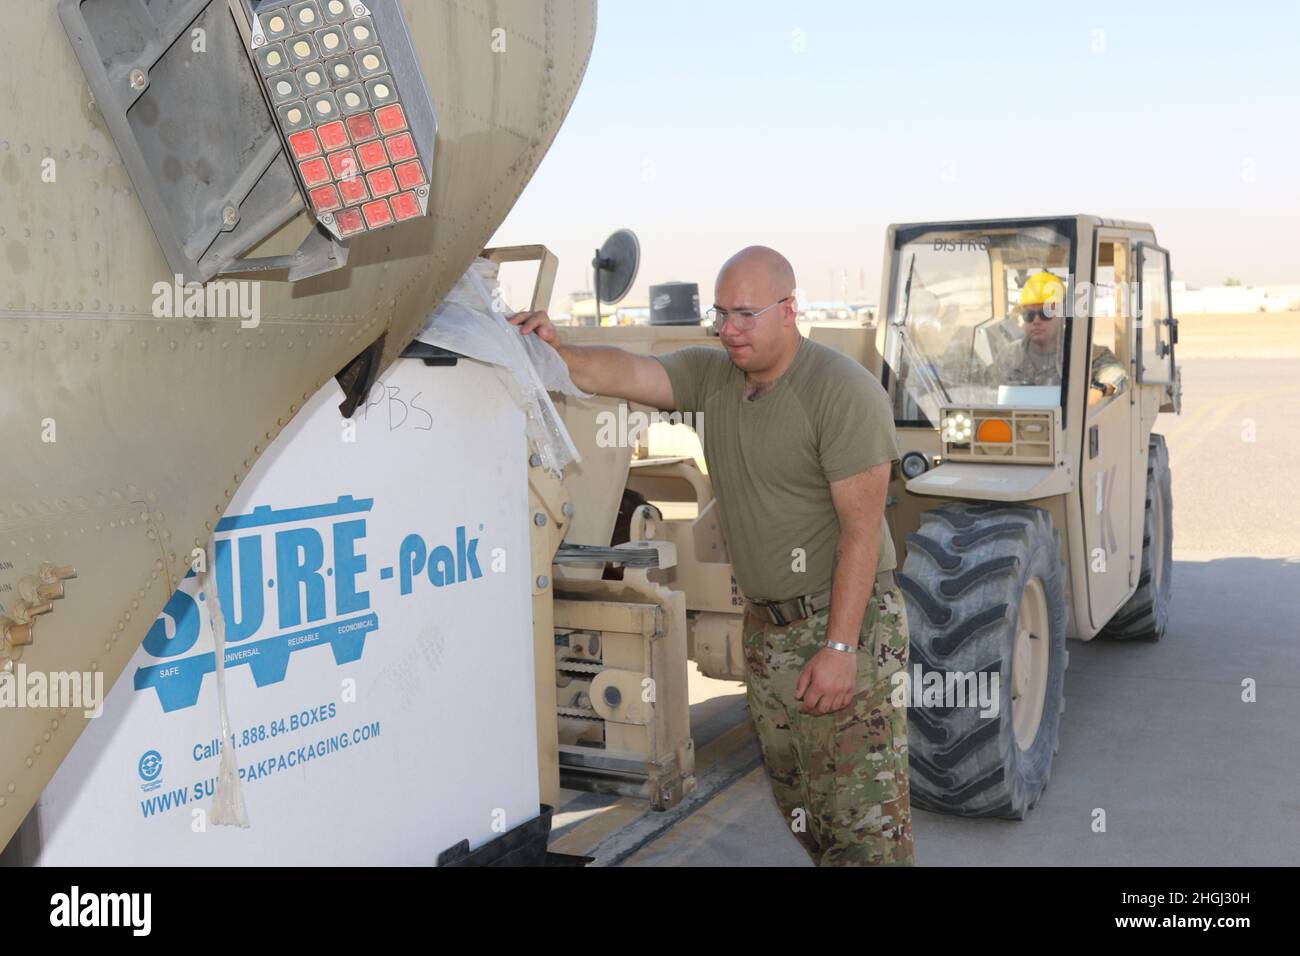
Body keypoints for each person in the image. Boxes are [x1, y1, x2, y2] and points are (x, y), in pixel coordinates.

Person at [509, 246, 913, 866]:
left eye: (746, 315)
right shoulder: (715, 376)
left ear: (789, 309)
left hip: (843, 622)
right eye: (721, 315)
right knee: (803, 801)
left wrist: (839, 649)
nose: (730, 330)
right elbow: (624, 372)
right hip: (767, 629)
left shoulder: (842, 392)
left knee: (862, 821)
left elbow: (862, 534)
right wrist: (557, 352)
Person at [991, 271, 1127, 407]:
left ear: (1062, 316)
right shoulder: (1009, 355)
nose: (1036, 321)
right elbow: (982, 385)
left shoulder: (1085, 353)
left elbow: (1117, 375)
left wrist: (1098, 390)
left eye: (1046, 313)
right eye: (1029, 315)